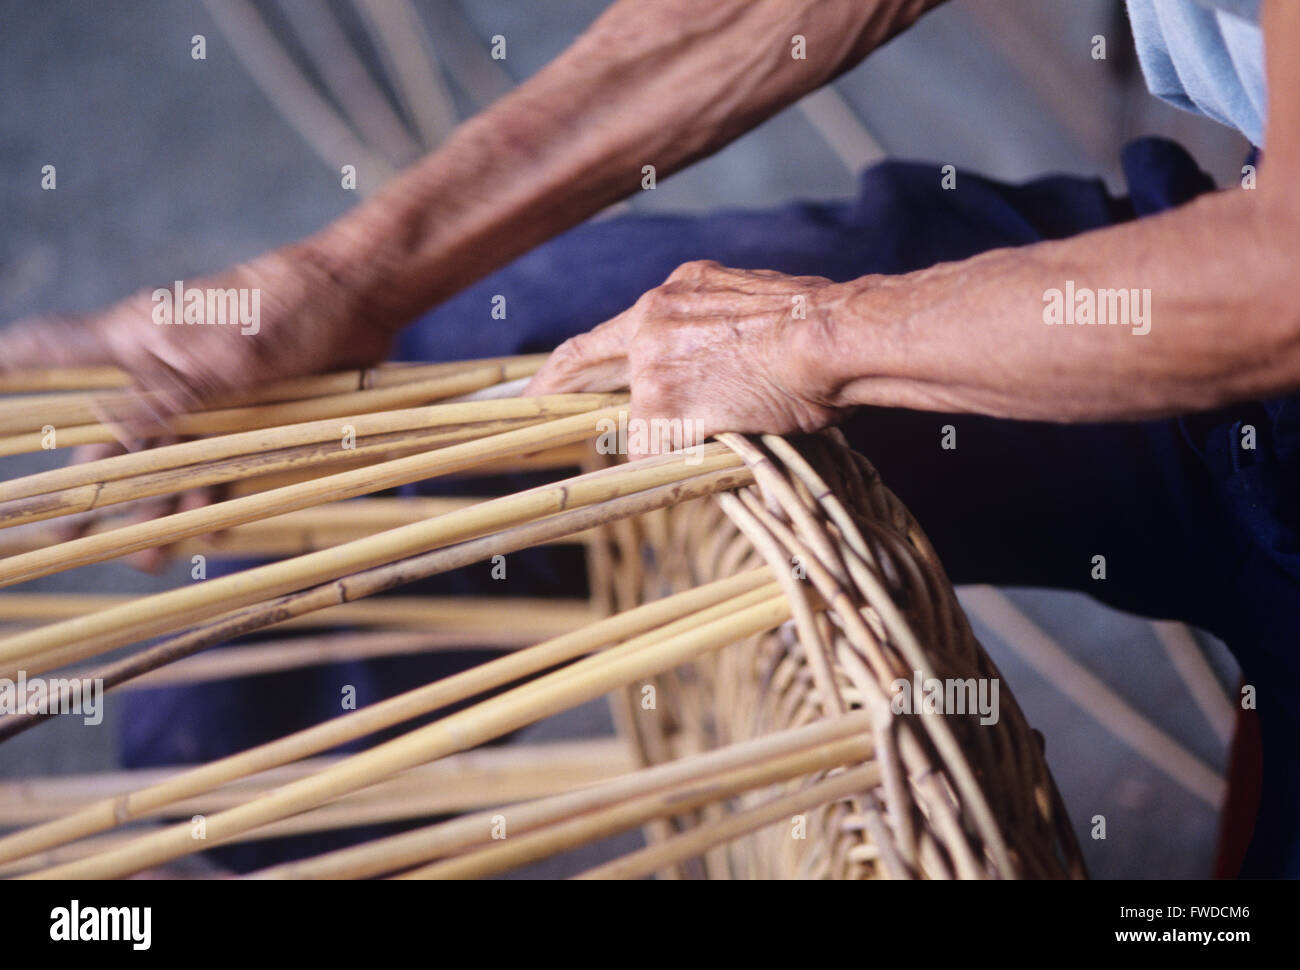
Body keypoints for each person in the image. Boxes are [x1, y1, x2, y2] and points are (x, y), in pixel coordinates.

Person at [3, 0, 1296, 876]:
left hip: (1262, 286)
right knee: (457, 394)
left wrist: (824, 338)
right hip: (1225, 272)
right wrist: (359, 272)